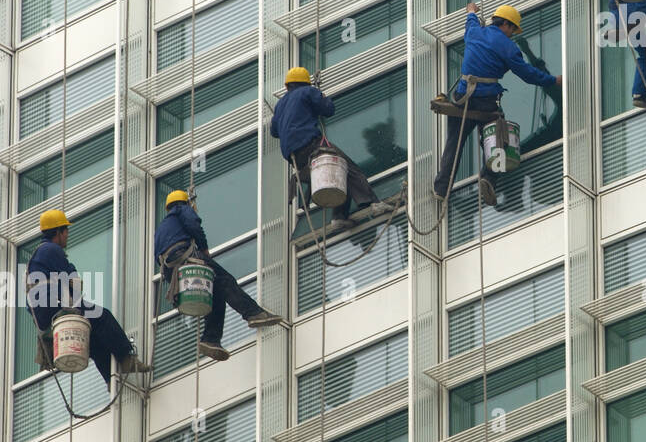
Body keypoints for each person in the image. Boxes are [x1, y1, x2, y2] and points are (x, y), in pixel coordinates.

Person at [433, 4, 560, 207]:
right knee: (498, 138)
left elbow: (471, 21)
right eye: (512, 29)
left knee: (454, 144)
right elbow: (527, 74)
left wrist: (472, 11)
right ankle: (489, 178)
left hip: (461, 98)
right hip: (486, 102)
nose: (511, 34)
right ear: (507, 25)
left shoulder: (474, 32)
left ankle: (441, 189)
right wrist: (552, 80)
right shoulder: (508, 47)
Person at [24, 210, 150, 386]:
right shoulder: (51, 250)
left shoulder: (37, 258)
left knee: (96, 341)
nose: (67, 234)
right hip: (57, 306)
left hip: (45, 317)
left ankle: (111, 382)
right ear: (58, 232)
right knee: (103, 316)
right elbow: (73, 281)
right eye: (65, 230)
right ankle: (126, 357)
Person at [153, 190, 280, 362]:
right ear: (184, 203)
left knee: (217, 294)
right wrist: (204, 249)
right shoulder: (181, 209)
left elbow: (157, 257)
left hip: (171, 269)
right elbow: (193, 224)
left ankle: (210, 339)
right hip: (186, 256)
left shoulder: (162, 228)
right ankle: (253, 313)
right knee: (225, 281)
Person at [270, 67, 392, 235]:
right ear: (305, 82)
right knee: (347, 167)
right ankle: (372, 203)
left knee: (337, 174)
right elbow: (328, 109)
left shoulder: (280, 105)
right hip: (311, 145)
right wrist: (321, 97)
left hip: (295, 158)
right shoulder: (307, 91)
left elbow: (274, 131)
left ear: (287, 86)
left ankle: (339, 217)